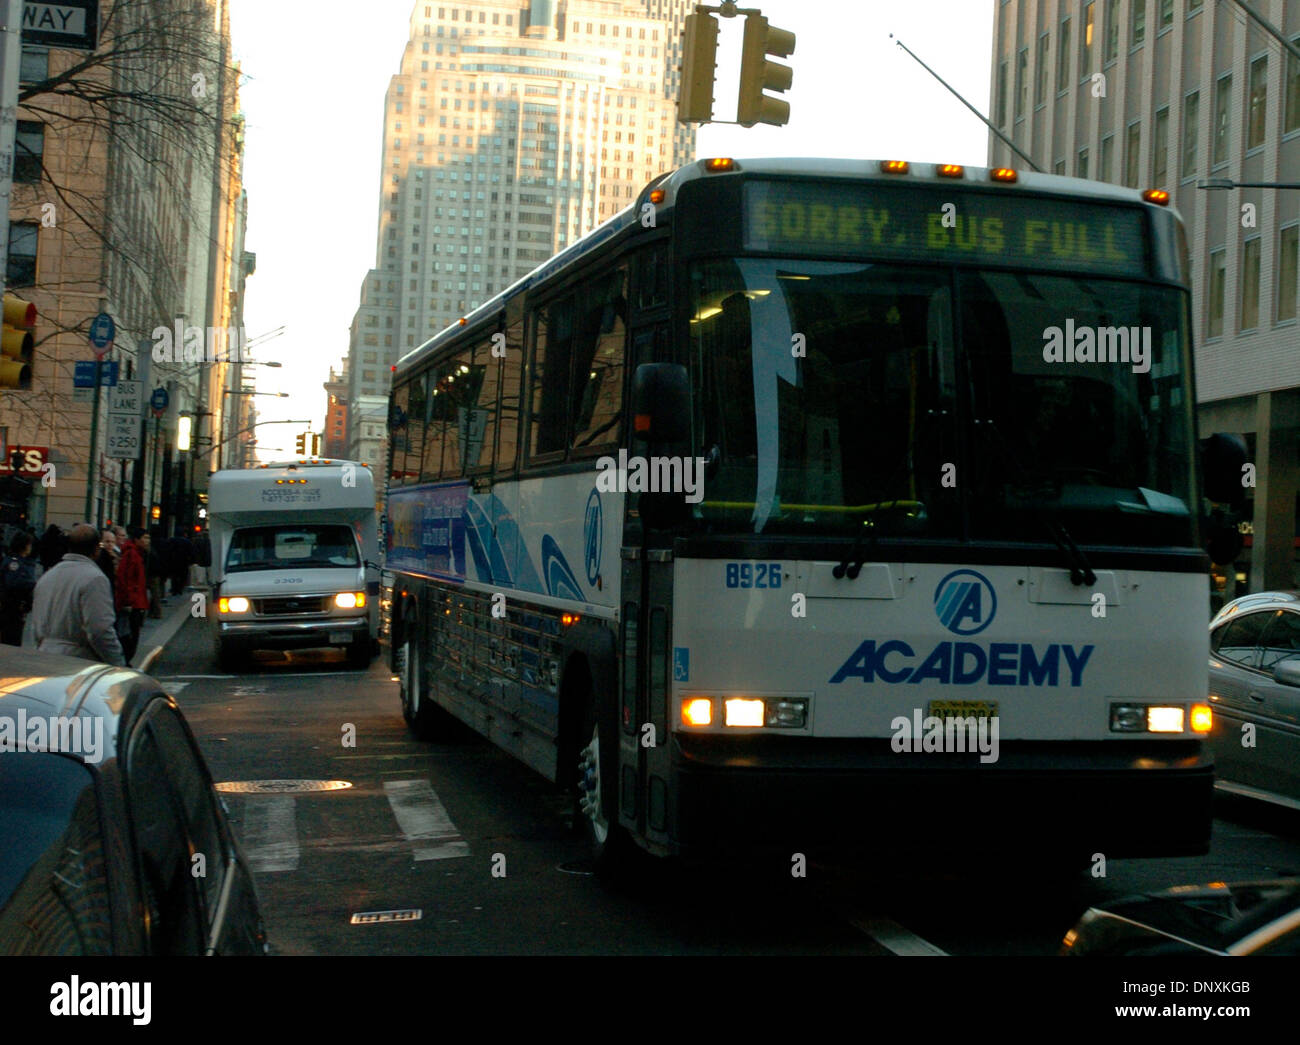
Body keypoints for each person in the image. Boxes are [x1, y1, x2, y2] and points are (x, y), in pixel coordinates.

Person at [31, 523, 125, 665]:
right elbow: (99, 629)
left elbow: (36, 623)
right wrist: (117, 662)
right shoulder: (95, 579)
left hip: (45, 656)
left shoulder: (48, 577)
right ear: (96, 549)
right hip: (79, 661)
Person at [115, 527, 149, 665]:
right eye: (145, 538)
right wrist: (129, 601)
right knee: (131, 633)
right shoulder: (132, 554)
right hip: (133, 602)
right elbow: (127, 578)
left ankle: (126, 659)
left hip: (135, 600)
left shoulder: (136, 553)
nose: (148, 541)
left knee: (131, 632)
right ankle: (125, 660)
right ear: (137, 540)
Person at [0, 533, 37, 645]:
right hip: (12, 606)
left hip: (15, 606)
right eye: (29, 545)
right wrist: (32, 585)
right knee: (11, 637)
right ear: (24, 546)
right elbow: (15, 583)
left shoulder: (19, 561)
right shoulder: (14, 562)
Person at [146, 527, 166, 618]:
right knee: (156, 592)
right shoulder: (163, 543)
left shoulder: (149, 545)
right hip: (158, 570)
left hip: (151, 571)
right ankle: (155, 611)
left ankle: (155, 611)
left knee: (154, 593)